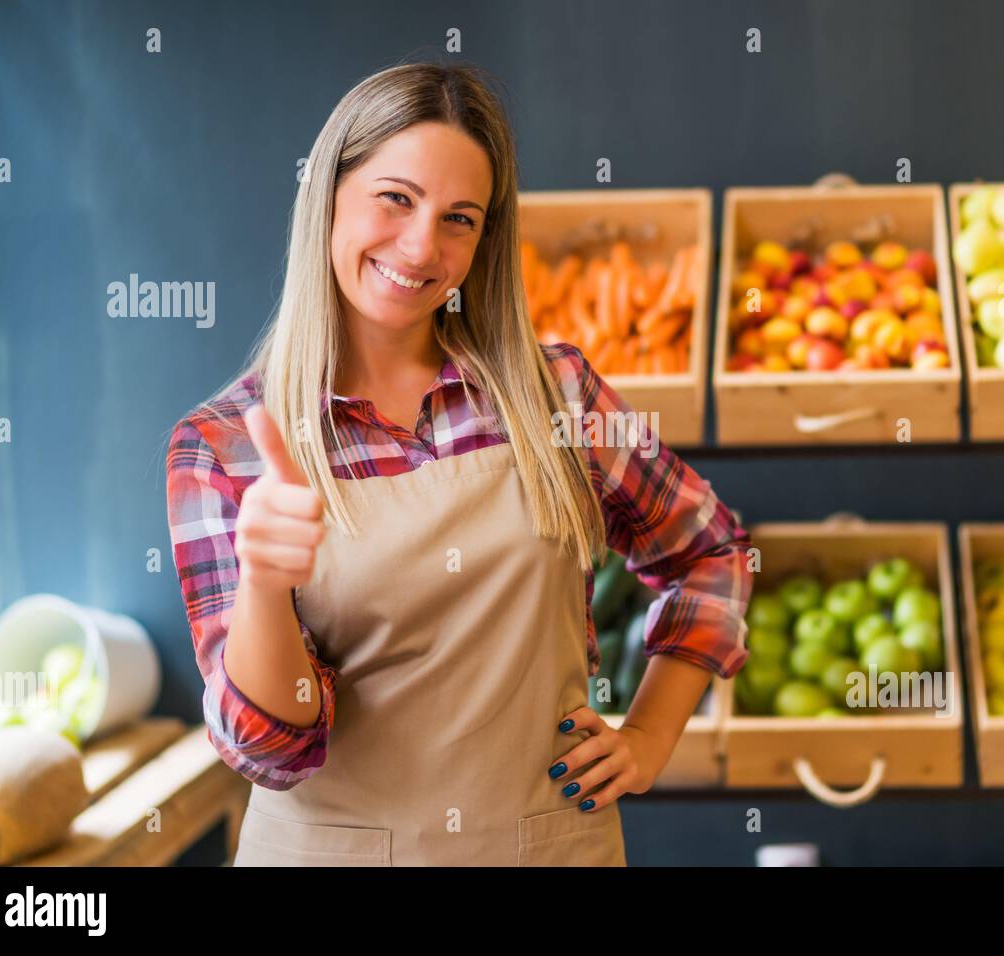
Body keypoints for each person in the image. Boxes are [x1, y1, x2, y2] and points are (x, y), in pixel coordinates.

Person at [164, 60, 752, 867]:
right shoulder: (225, 443)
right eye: (395, 199)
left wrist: (649, 736)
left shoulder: (556, 396)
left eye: (459, 219)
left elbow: (711, 554)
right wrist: (265, 579)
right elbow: (268, 751)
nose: (421, 246)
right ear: (328, 194)